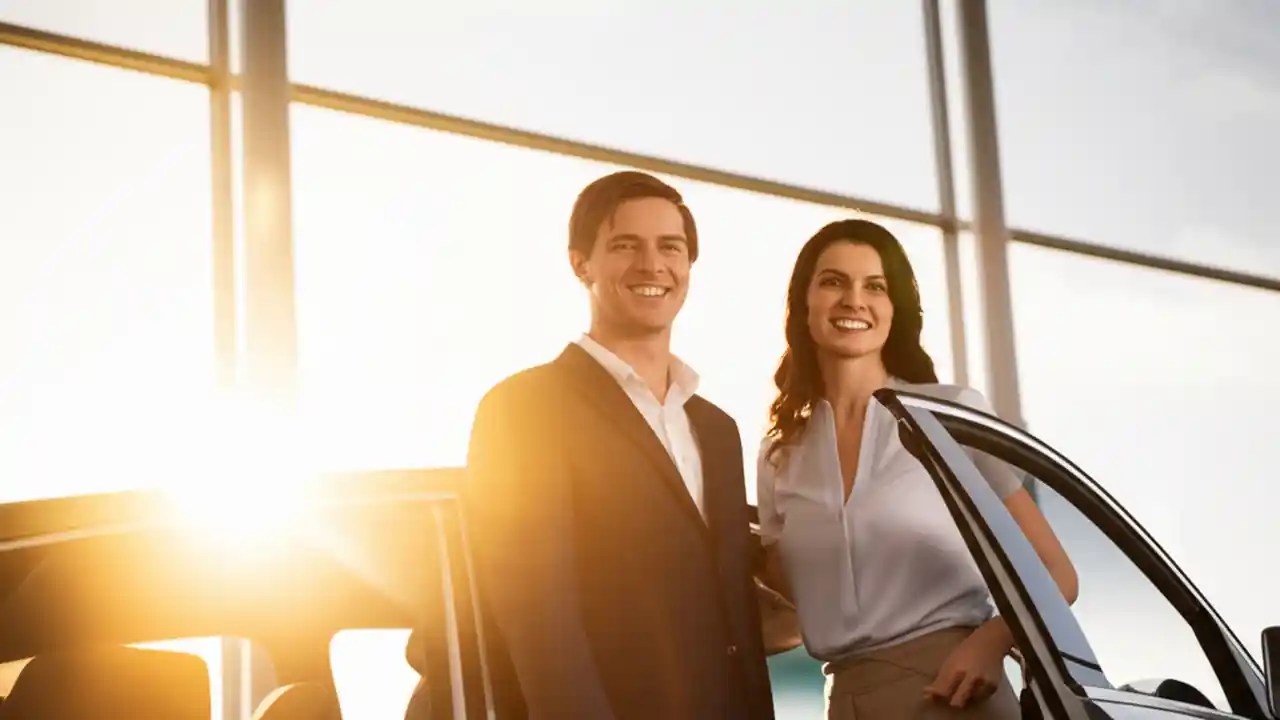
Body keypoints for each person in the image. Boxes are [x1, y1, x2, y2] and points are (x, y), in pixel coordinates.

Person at [462, 171, 775, 719]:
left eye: (670, 247)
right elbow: (540, 616)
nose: (652, 265)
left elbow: (731, 613)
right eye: (625, 245)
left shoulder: (718, 430)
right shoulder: (525, 409)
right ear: (581, 262)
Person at [757, 219, 1078, 719]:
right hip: (845, 701)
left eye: (875, 286)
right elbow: (793, 605)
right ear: (803, 302)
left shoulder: (950, 416)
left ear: (894, 308)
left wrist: (991, 643)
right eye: (833, 281)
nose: (854, 300)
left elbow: (1057, 575)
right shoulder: (781, 453)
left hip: (953, 691)